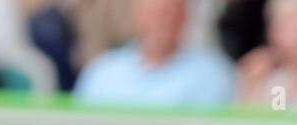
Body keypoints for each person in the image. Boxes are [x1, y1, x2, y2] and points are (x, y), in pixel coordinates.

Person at [74, 0, 235, 108]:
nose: (161, 23)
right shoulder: (102, 72)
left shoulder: (213, 73)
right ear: (139, 16)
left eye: (169, 14)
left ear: (185, 18)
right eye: (155, 13)